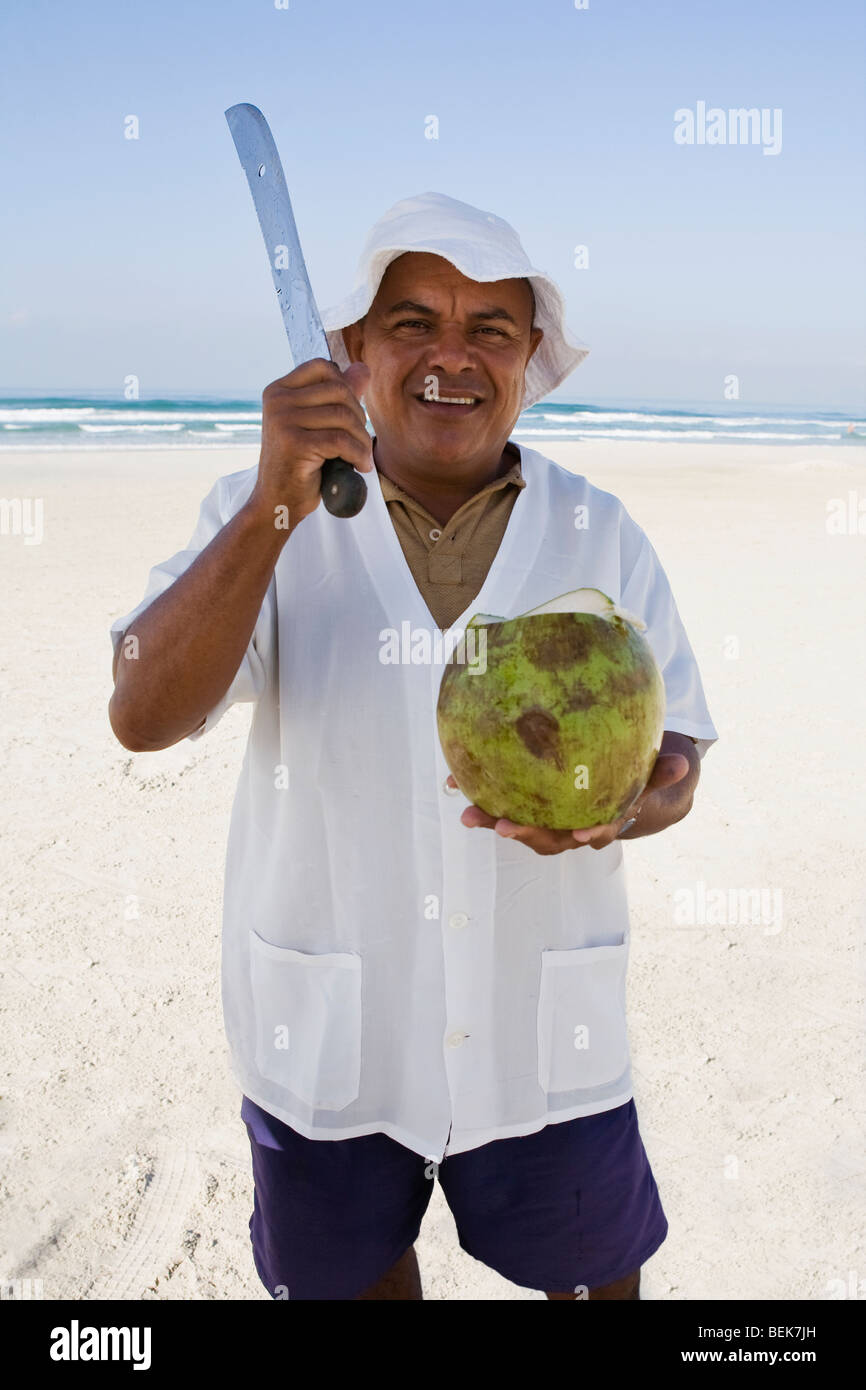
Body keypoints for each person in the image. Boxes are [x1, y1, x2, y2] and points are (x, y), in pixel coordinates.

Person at [108, 191, 718, 1301]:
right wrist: (265, 511)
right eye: (411, 324)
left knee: (597, 1285)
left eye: (489, 328)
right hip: (326, 1028)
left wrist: (637, 803)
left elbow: (675, 749)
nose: (453, 356)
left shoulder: (599, 533)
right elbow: (141, 715)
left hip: (543, 1037)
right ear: (348, 353)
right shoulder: (268, 522)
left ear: (528, 358)